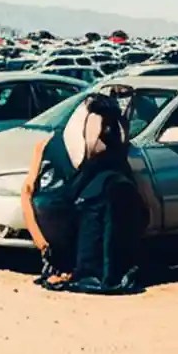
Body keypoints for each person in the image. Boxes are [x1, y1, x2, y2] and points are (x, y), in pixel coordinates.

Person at [21, 91, 147, 294]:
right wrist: (41, 242)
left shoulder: (108, 166)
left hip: (70, 227)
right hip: (53, 221)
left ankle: (85, 270)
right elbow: (26, 191)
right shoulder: (48, 147)